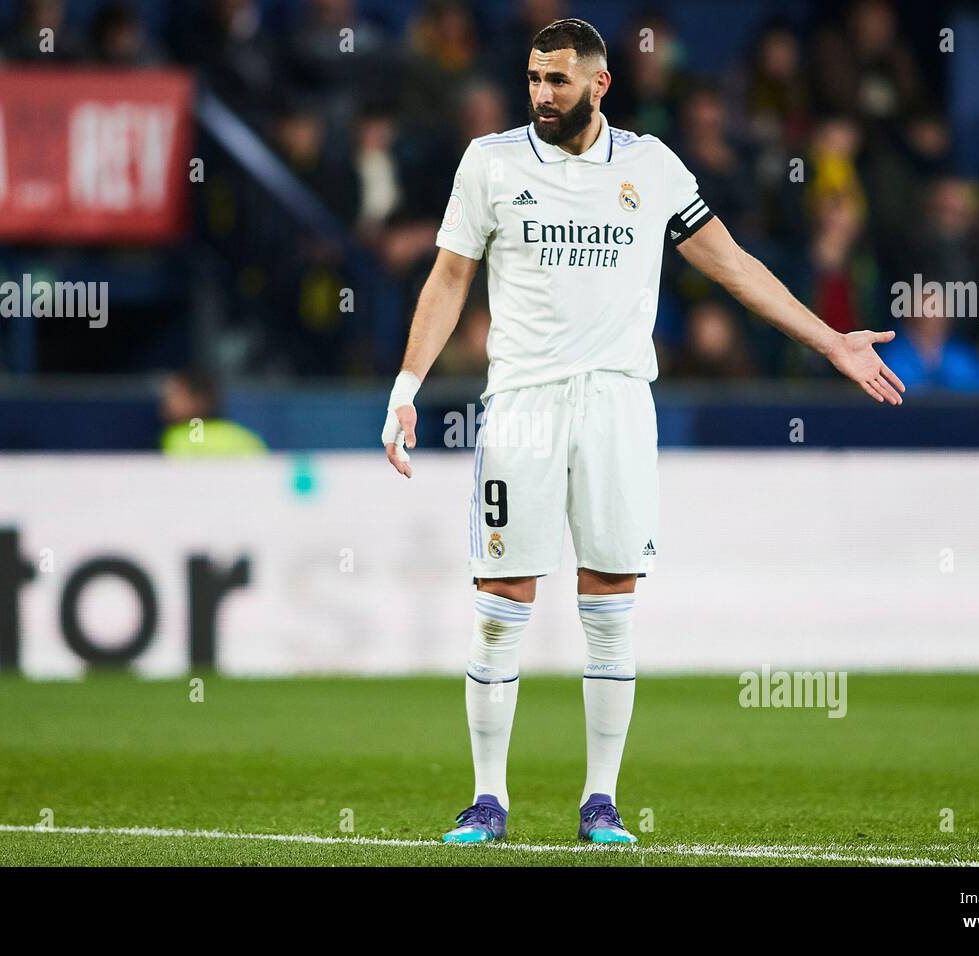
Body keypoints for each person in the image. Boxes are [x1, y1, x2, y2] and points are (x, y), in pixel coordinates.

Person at [380, 18, 904, 846]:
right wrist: (407, 384)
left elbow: (733, 265)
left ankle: (601, 802)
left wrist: (829, 340)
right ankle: (487, 799)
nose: (541, 95)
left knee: (610, 599)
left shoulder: (651, 168)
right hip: (521, 402)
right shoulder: (491, 162)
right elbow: (449, 277)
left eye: (557, 80)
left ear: (600, 83)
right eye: (532, 78)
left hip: (619, 403)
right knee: (502, 600)